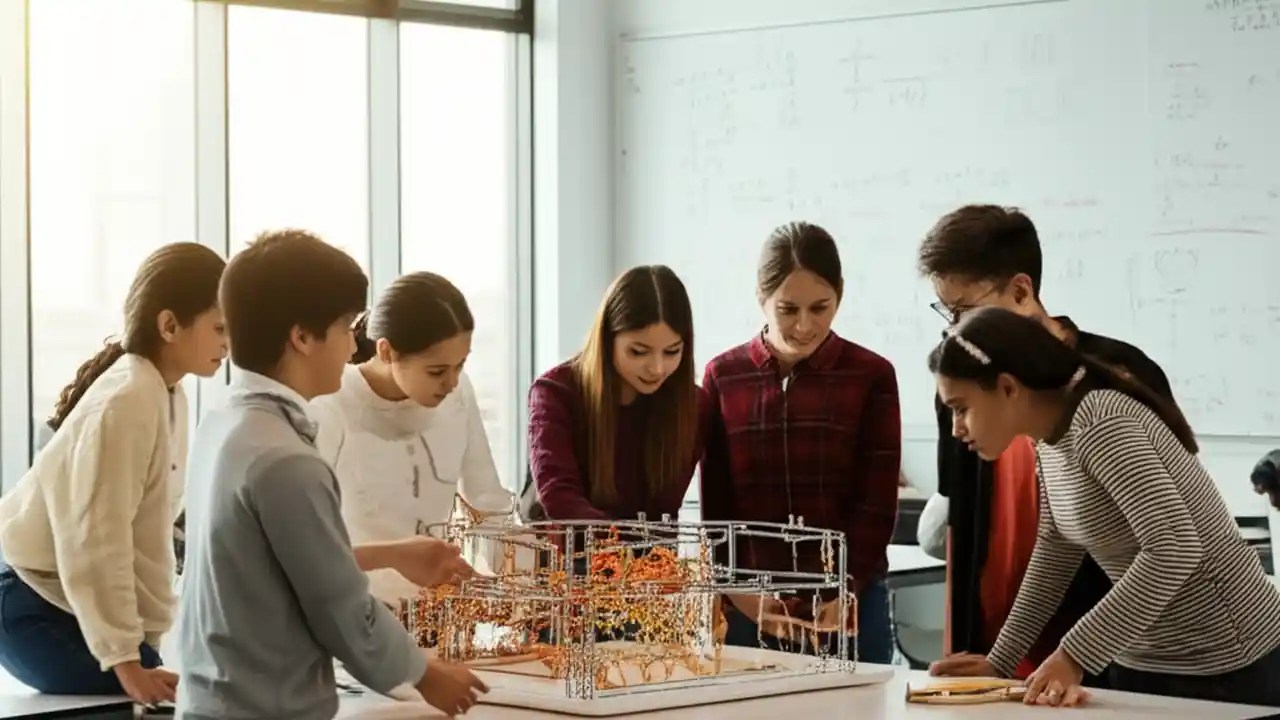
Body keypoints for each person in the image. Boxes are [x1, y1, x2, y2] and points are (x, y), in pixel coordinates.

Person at [177, 230, 486, 719]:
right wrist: (426, 674)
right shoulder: (285, 459)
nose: (352, 345)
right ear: (302, 337)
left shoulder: (224, 422)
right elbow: (341, 607)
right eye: (347, 327)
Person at [928, 306, 1280, 707]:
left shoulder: (1100, 422)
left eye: (961, 408)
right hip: (1146, 661)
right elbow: (1056, 548)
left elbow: (1174, 549)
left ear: (1008, 388)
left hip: (1230, 663)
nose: (956, 429)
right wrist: (1000, 661)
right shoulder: (1050, 439)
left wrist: (1074, 654)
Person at [915, 204, 1176, 682]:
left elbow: (1164, 540)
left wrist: (1079, 653)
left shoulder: (1113, 381)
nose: (954, 328)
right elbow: (963, 522)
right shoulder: (961, 380)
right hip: (1002, 633)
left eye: (963, 310)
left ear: (1020, 290)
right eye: (945, 311)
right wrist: (986, 648)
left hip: (1104, 649)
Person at [0, 243, 226, 705]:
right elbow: (97, 541)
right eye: (221, 328)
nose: (230, 344)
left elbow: (147, 534)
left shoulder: (167, 392)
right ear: (168, 326)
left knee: (190, 685)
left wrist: (141, 646)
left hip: (58, 601)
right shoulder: (126, 400)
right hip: (29, 603)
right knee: (183, 693)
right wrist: (125, 657)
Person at [700, 221, 901, 664]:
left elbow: (876, 504)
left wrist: (844, 588)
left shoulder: (872, 376)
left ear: (840, 296)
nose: (805, 325)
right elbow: (717, 505)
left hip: (849, 602)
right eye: (788, 309)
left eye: (821, 307)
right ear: (761, 297)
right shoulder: (723, 377)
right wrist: (738, 591)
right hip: (751, 609)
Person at [310, 271, 514, 606]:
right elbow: (307, 544)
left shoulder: (459, 393)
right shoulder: (331, 402)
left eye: (460, 366)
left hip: (436, 614)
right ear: (387, 352)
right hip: (351, 615)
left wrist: (512, 587)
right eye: (436, 371)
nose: (450, 383)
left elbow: (488, 503)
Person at [524, 265, 705, 525]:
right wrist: (621, 552)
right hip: (566, 560)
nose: (657, 368)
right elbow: (558, 495)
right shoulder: (555, 393)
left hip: (654, 562)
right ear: (607, 340)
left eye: (672, 351)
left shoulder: (694, 405)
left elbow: (665, 513)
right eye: (638, 352)